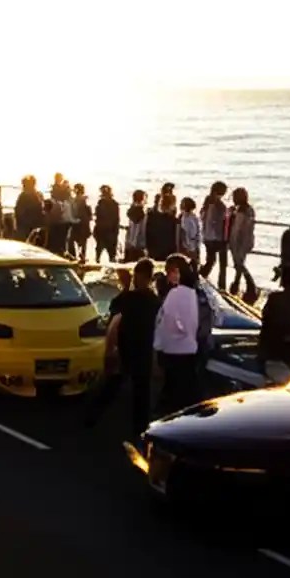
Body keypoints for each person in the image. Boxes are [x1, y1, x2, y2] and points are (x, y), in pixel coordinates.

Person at [85, 258, 160, 436]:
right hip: (142, 348)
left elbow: (114, 310)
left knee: (115, 385)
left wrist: (126, 287)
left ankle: (92, 418)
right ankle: (140, 428)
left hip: (128, 347)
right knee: (140, 391)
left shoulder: (129, 298)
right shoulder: (153, 301)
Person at [153, 254, 200, 413]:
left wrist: (158, 346)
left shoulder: (176, 294)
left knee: (172, 397)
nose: (168, 276)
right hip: (189, 350)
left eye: (169, 271)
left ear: (177, 271)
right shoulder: (193, 293)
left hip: (173, 350)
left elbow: (166, 321)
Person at [227, 187, 257, 301]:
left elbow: (237, 229)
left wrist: (231, 242)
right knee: (240, 264)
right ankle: (237, 284)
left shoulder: (241, 211)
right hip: (247, 240)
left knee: (238, 264)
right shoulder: (249, 210)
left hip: (239, 242)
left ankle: (250, 286)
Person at [198, 181, 230, 288]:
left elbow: (204, 218)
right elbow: (219, 222)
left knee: (210, 261)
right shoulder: (219, 206)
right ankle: (220, 285)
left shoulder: (207, 203)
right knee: (221, 263)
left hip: (207, 236)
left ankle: (200, 277)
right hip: (217, 238)